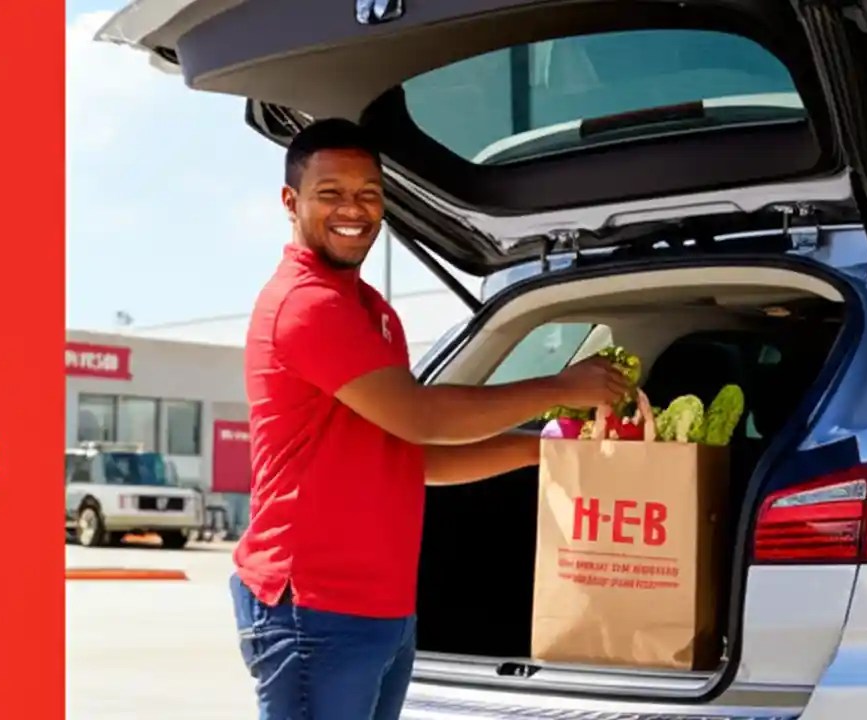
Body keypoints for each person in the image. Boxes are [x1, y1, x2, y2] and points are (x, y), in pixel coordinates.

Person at [229, 118, 629, 720]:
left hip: (382, 609)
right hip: (314, 608)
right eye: (331, 192)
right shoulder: (305, 306)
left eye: (368, 193)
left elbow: (413, 456)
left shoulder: (369, 311)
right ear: (291, 201)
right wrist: (560, 386)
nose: (353, 209)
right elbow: (421, 417)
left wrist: (540, 451)